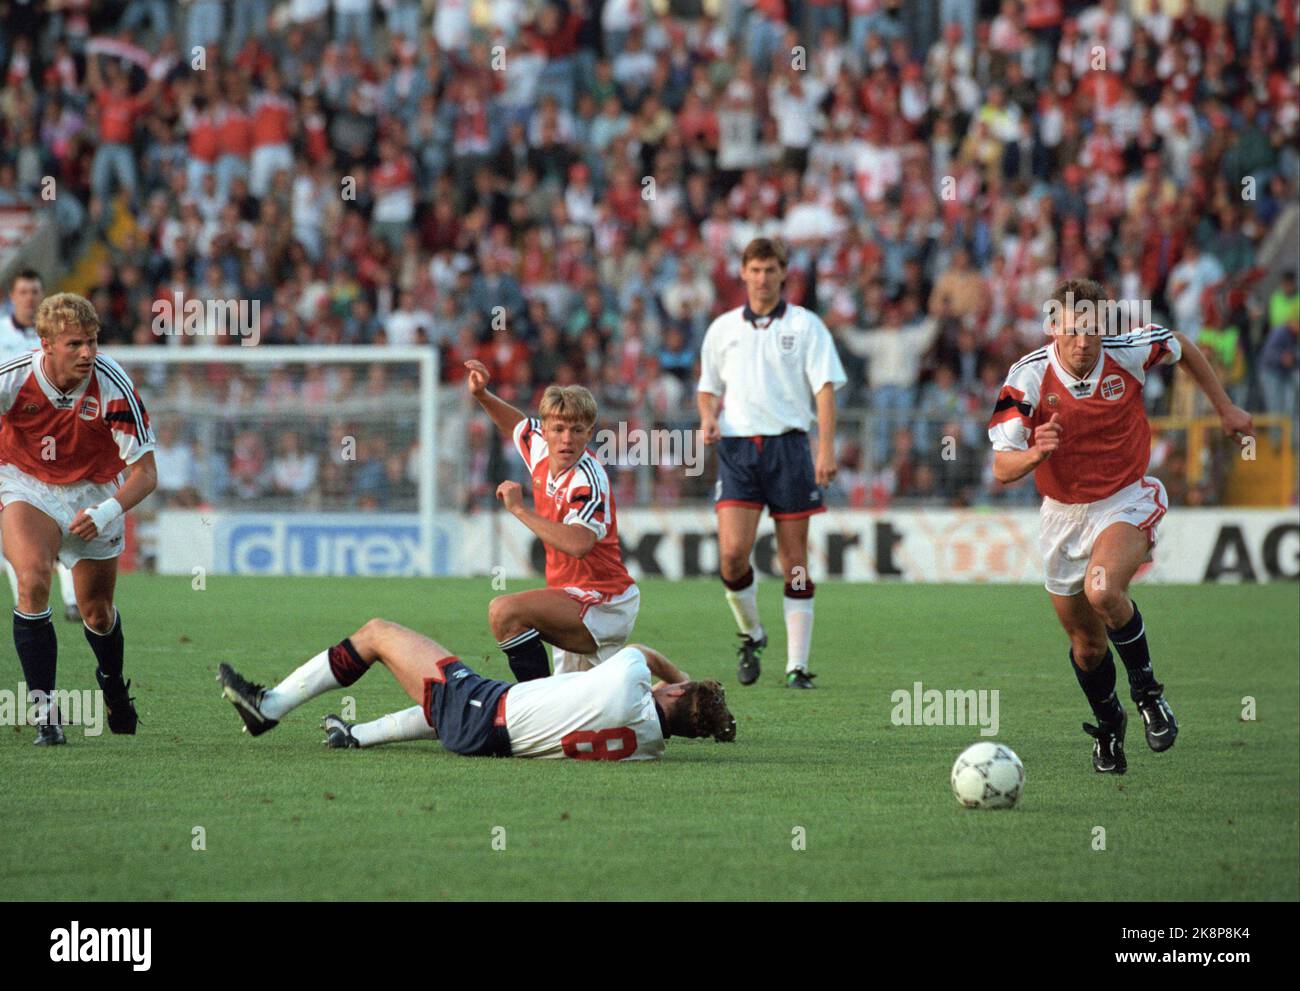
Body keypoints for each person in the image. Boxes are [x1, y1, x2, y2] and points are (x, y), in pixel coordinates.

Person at [989, 278, 1253, 773]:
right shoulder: (1026, 377)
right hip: (1061, 515)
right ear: (1054, 329)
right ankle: (1110, 725)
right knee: (1087, 648)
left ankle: (1150, 696)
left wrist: (1225, 408)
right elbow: (1001, 467)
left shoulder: (1129, 351)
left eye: (1091, 330)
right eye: (1072, 330)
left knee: (1102, 588)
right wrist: (1034, 453)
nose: (1083, 341)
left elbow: (1182, 346)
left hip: (1125, 499)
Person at [216, 623, 735, 760]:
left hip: (485, 713)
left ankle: (269, 706)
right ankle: (358, 736)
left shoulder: (630, 682)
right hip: (492, 733)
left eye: (679, 688)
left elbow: (642, 652)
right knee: (448, 698)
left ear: (673, 694)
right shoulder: (649, 749)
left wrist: (679, 675)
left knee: (377, 634)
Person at [0, 293, 158, 744]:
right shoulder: (12, 379)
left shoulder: (111, 384)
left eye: (91, 342)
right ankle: (45, 715)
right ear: (45, 343)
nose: (87, 353)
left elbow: (146, 474)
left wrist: (106, 510)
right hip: (26, 485)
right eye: (74, 344)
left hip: (94, 494)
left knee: (98, 613)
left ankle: (111, 683)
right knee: (32, 580)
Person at [697, 237, 846, 689]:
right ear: (742, 273)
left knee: (793, 560)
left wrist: (825, 448)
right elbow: (708, 387)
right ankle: (752, 633)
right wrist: (707, 416)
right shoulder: (722, 329)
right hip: (740, 450)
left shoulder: (806, 325)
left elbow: (824, 388)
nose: (762, 278)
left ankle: (797, 666)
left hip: (790, 448)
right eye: (755, 270)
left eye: (770, 270)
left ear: (784, 274)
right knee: (731, 555)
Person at [465, 358, 639, 680]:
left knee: (504, 612)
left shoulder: (588, 480)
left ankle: (535, 705)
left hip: (602, 602)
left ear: (589, 433)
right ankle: (675, 686)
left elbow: (580, 543)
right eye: (558, 429)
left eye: (577, 430)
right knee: (587, 712)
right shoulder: (541, 450)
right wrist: (483, 395)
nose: (567, 439)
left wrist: (519, 510)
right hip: (571, 598)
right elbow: (516, 425)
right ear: (544, 431)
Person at [0, 270, 83, 622]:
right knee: (14, 530)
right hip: (9, 443)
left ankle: (72, 598)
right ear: (12, 295)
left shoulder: (55, 337)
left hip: (53, 440)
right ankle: (29, 594)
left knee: (60, 519)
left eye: (36, 290)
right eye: (24, 291)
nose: (30, 297)